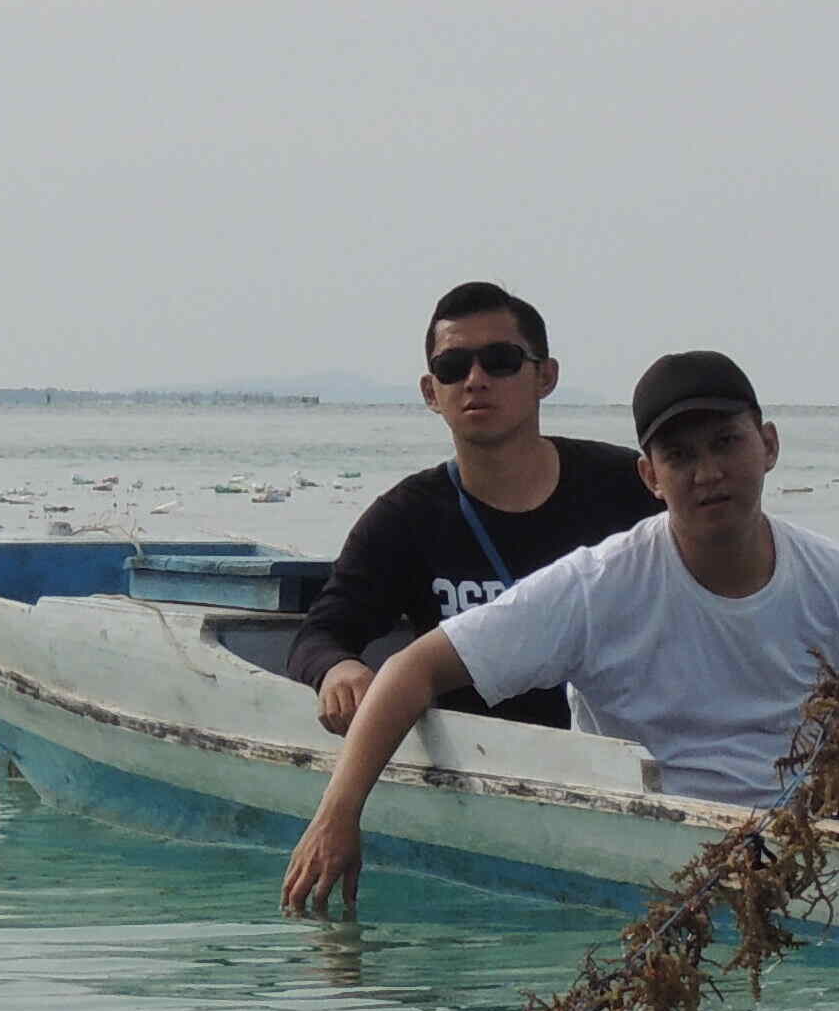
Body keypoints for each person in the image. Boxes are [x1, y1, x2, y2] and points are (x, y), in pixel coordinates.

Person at [281, 351, 839, 917]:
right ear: (649, 474)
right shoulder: (600, 585)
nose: (709, 473)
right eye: (681, 453)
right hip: (667, 854)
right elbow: (415, 669)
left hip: (820, 840)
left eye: (727, 444)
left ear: (767, 445)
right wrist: (338, 815)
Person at [283, 281, 661, 733]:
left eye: (501, 361)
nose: (475, 380)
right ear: (430, 392)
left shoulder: (627, 487)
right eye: (453, 366)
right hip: (479, 760)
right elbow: (320, 634)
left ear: (546, 376)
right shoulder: (407, 518)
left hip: (626, 752)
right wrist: (338, 670)